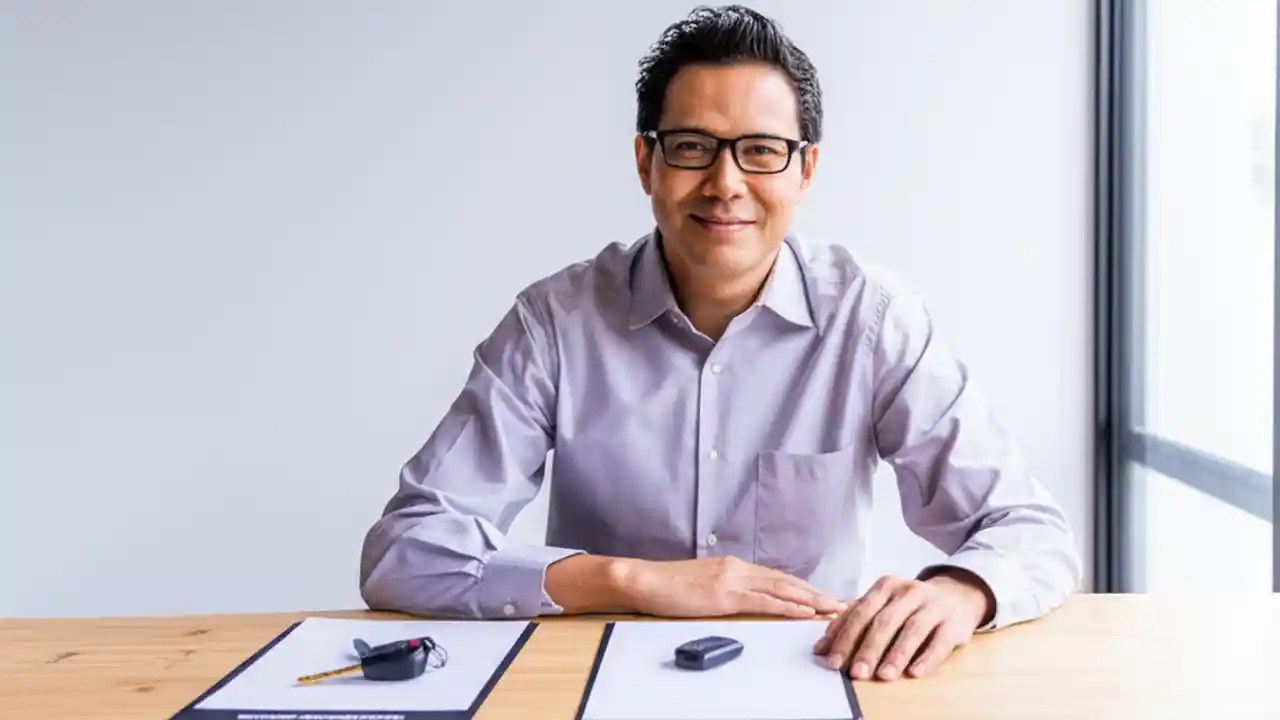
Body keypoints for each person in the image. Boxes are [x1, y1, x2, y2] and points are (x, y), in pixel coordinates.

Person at [360, 4, 1081, 682]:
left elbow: (1030, 532)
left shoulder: (872, 320)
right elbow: (406, 549)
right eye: (693, 147)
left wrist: (963, 590)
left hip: (815, 675)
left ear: (805, 170)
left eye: (761, 150)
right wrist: (630, 580)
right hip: (593, 680)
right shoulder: (555, 322)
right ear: (646, 162)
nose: (725, 182)